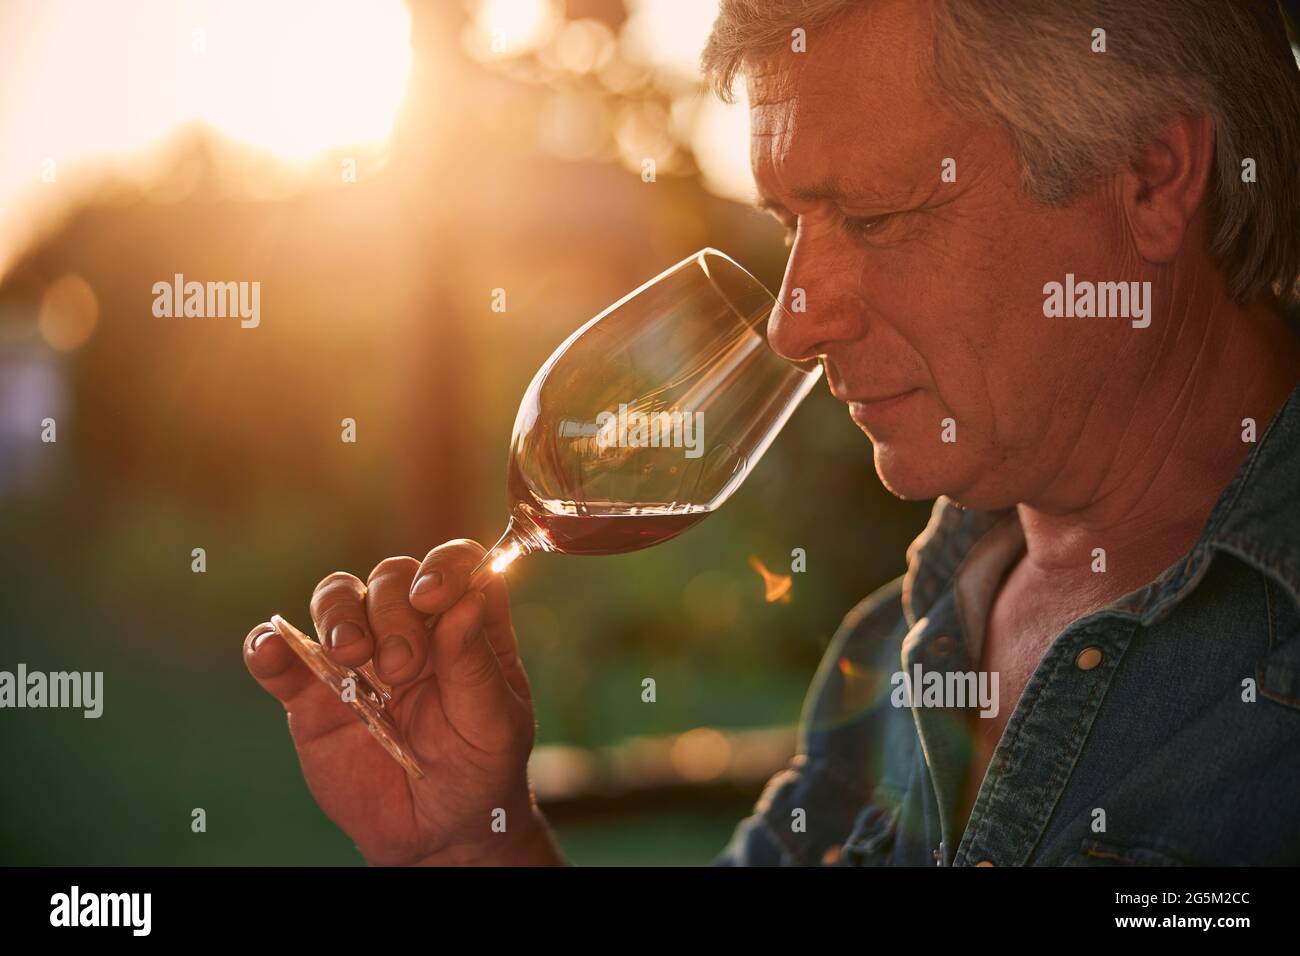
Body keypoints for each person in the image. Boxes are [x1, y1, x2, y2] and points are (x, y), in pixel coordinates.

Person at [243, 0, 1300, 865]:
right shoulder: (896, 645)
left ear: (1152, 175)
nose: (794, 320)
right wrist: (479, 846)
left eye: (877, 213)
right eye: (791, 221)